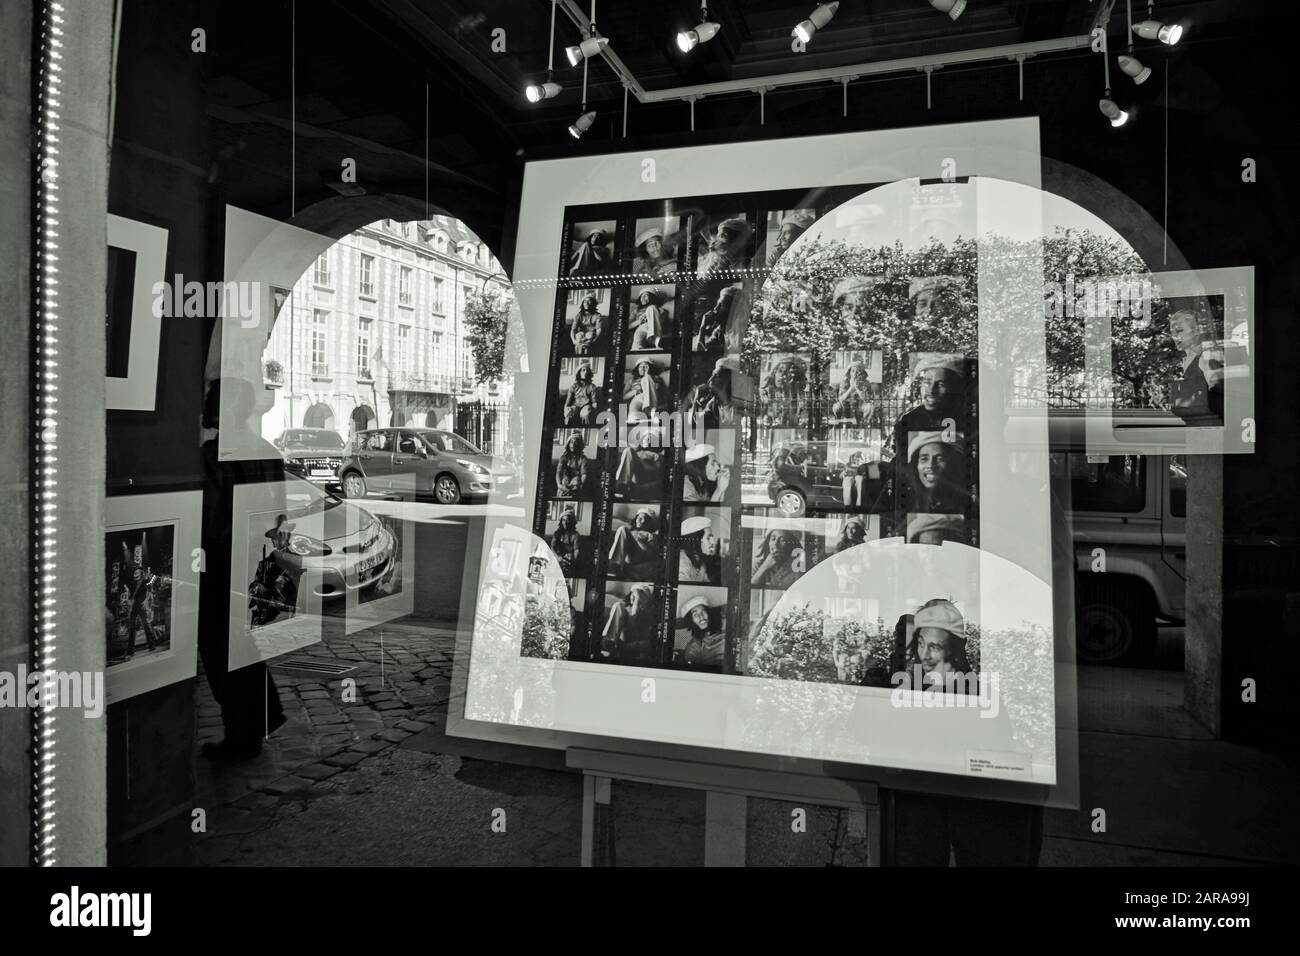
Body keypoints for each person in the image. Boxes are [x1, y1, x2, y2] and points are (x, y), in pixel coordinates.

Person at [1167, 309, 1225, 426]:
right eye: (1172, 332)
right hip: (1197, 426)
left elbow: (1221, 397)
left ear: (1196, 331)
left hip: (1210, 429)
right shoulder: (1188, 360)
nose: (1174, 336)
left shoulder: (1206, 357)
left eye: (1179, 330)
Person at [901, 431, 969, 515]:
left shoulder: (965, 505)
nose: (930, 465)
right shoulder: (907, 502)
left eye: (939, 459)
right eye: (924, 459)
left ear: (953, 465)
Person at [600, 583, 657, 664]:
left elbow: (635, 615)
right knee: (618, 605)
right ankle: (609, 642)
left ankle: (611, 645)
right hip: (617, 641)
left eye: (638, 596)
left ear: (645, 599)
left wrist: (637, 600)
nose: (633, 598)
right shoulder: (623, 609)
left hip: (630, 639)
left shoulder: (648, 613)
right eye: (632, 594)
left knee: (633, 613)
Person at [680, 356, 740, 427]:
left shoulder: (738, 403)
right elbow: (697, 421)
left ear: (728, 380)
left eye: (717, 376)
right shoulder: (715, 403)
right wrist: (696, 400)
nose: (710, 380)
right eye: (712, 375)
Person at [607, 508, 660, 579]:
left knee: (623, 529)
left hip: (638, 556)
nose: (638, 520)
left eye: (642, 518)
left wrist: (639, 541)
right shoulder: (630, 531)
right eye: (638, 517)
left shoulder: (650, 535)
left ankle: (616, 564)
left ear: (648, 521)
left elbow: (650, 553)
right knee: (622, 528)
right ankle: (615, 565)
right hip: (627, 555)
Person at [677, 594, 726, 669]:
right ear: (691, 621)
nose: (701, 617)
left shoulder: (724, 626)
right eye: (696, 615)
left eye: (703, 611)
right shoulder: (693, 649)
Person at [614, 429, 664, 499]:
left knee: (628, 450)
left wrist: (646, 458)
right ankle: (622, 486)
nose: (649, 439)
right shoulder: (633, 451)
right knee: (628, 450)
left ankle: (623, 486)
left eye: (652, 438)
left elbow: (658, 470)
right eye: (647, 436)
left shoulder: (657, 455)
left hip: (646, 476)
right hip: (633, 479)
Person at [761, 355, 809, 428]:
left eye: (787, 373)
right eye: (780, 371)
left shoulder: (800, 399)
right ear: (774, 373)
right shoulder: (766, 396)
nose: (782, 375)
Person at [832, 362, 879, 427]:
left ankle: (865, 424)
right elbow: (841, 399)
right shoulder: (844, 382)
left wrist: (857, 388)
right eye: (853, 371)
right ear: (849, 373)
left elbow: (866, 399)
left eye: (857, 371)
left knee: (869, 406)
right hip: (846, 406)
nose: (855, 374)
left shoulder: (866, 382)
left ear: (861, 373)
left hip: (860, 406)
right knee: (836, 407)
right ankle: (838, 424)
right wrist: (851, 388)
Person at [678, 514, 722, 584]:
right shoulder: (682, 562)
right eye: (708, 538)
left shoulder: (700, 562)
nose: (713, 542)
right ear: (696, 541)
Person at [693, 285, 738, 352]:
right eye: (717, 304)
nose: (715, 308)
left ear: (732, 309)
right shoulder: (719, 331)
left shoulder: (738, 333)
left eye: (721, 305)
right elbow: (700, 351)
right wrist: (702, 327)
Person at [623, 358, 667, 423]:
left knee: (646, 378)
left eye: (646, 366)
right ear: (637, 369)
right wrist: (635, 391)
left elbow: (663, 393)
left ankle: (650, 409)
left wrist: (647, 375)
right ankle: (636, 415)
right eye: (640, 366)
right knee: (634, 411)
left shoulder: (657, 378)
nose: (643, 368)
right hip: (637, 399)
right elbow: (624, 397)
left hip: (654, 399)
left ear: (650, 368)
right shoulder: (631, 381)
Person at [554, 433, 591, 498]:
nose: (573, 445)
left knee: (576, 480)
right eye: (571, 442)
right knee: (565, 480)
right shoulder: (563, 457)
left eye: (575, 442)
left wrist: (580, 486)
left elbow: (584, 475)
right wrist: (559, 485)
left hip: (576, 485)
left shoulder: (583, 459)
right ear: (568, 444)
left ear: (579, 445)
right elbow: (558, 472)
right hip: (564, 484)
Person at [549, 507, 582, 576]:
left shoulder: (575, 535)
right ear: (561, 521)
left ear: (572, 522)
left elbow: (576, 550)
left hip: (569, 559)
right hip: (558, 558)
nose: (565, 523)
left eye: (568, 520)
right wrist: (558, 558)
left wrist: (572, 562)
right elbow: (552, 547)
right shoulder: (557, 533)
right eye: (563, 520)